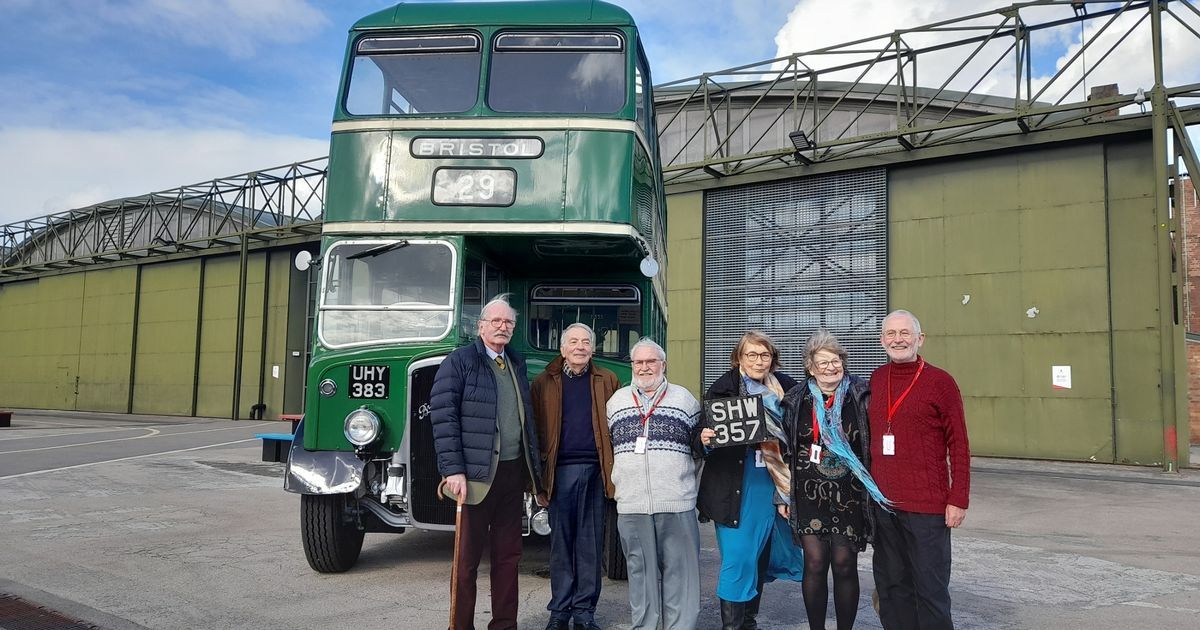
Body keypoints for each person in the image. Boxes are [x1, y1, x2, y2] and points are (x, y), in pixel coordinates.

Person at [430, 295, 544, 630]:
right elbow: (443, 415)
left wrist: (533, 476)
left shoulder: (516, 362)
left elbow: (526, 420)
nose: (502, 327)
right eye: (495, 321)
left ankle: (505, 625)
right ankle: (461, 626)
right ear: (480, 326)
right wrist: (453, 470)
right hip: (476, 477)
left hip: (511, 475)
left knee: (508, 558)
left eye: (508, 322)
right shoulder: (460, 361)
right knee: (466, 562)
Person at [781, 329, 891, 630]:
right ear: (810, 367)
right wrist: (782, 494)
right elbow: (783, 448)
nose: (830, 367)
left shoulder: (860, 394)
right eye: (823, 363)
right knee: (815, 564)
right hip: (808, 494)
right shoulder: (796, 399)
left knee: (844, 565)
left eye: (835, 361)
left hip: (851, 494)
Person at [868, 310, 970, 630]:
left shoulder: (941, 382)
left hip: (927, 507)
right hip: (884, 506)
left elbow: (960, 445)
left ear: (919, 339)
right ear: (882, 340)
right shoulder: (876, 378)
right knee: (892, 588)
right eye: (890, 334)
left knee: (930, 590)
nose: (897, 340)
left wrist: (959, 498)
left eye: (905, 333)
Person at [696, 331, 804, 630]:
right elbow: (699, 437)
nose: (759, 361)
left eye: (764, 355)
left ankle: (748, 622)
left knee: (757, 559)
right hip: (734, 489)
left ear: (773, 359)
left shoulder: (788, 390)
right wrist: (705, 439)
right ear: (739, 358)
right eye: (751, 355)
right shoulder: (721, 391)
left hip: (773, 486)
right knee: (738, 559)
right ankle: (732, 626)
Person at [606, 338, 703, 630]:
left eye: (651, 361)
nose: (645, 367)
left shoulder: (685, 399)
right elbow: (611, 449)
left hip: (676, 501)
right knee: (639, 573)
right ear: (632, 365)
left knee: (681, 574)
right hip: (632, 503)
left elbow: (699, 450)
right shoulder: (616, 402)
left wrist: (683, 485)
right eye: (639, 362)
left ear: (664, 365)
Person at [532, 323, 621, 630]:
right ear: (562, 349)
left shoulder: (608, 379)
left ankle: (584, 613)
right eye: (574, 342)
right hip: (558, 474)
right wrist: (537, 482)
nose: (580, 346)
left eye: (586, 341)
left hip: (596, 473)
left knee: (590, 545)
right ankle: (559, 612)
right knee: (561, 546)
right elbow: (534, 435)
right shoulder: (543, 382)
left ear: (593, 349)